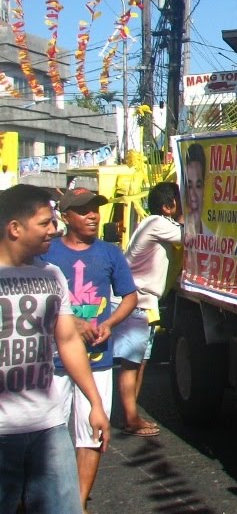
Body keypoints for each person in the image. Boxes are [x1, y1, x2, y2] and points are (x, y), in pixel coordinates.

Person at [0, 185, 111, 514]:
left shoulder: (52, 275)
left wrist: (95, 402)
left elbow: (67, 341)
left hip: (48, 431)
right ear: (15, 228)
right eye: (46, 223)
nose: (55, 229)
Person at [47, 188, 137, 512]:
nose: (93, 215)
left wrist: (109, 323)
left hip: (98, 360)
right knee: (50, 436)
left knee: (92, 434)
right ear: (66, 216)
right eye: (84, 210)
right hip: (53, 363)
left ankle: (78, 503)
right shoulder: (47, 254)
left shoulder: (111, 254)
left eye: (96, 209)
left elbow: (129, 296)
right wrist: (70, 324)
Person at [111, 182, 183, 437]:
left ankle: (131, 416)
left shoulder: (155, 223)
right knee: (132, 363)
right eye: (179, 199)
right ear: (167, 206)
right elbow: (191, 235)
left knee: (140, 362)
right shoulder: (158, 223)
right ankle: (129, 418)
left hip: (144, 302)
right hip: (137, 301)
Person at [184, 142, 206, 238]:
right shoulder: (176, 233)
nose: (193, 196)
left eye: (198, 186)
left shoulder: (214, 237)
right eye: (189, 186)